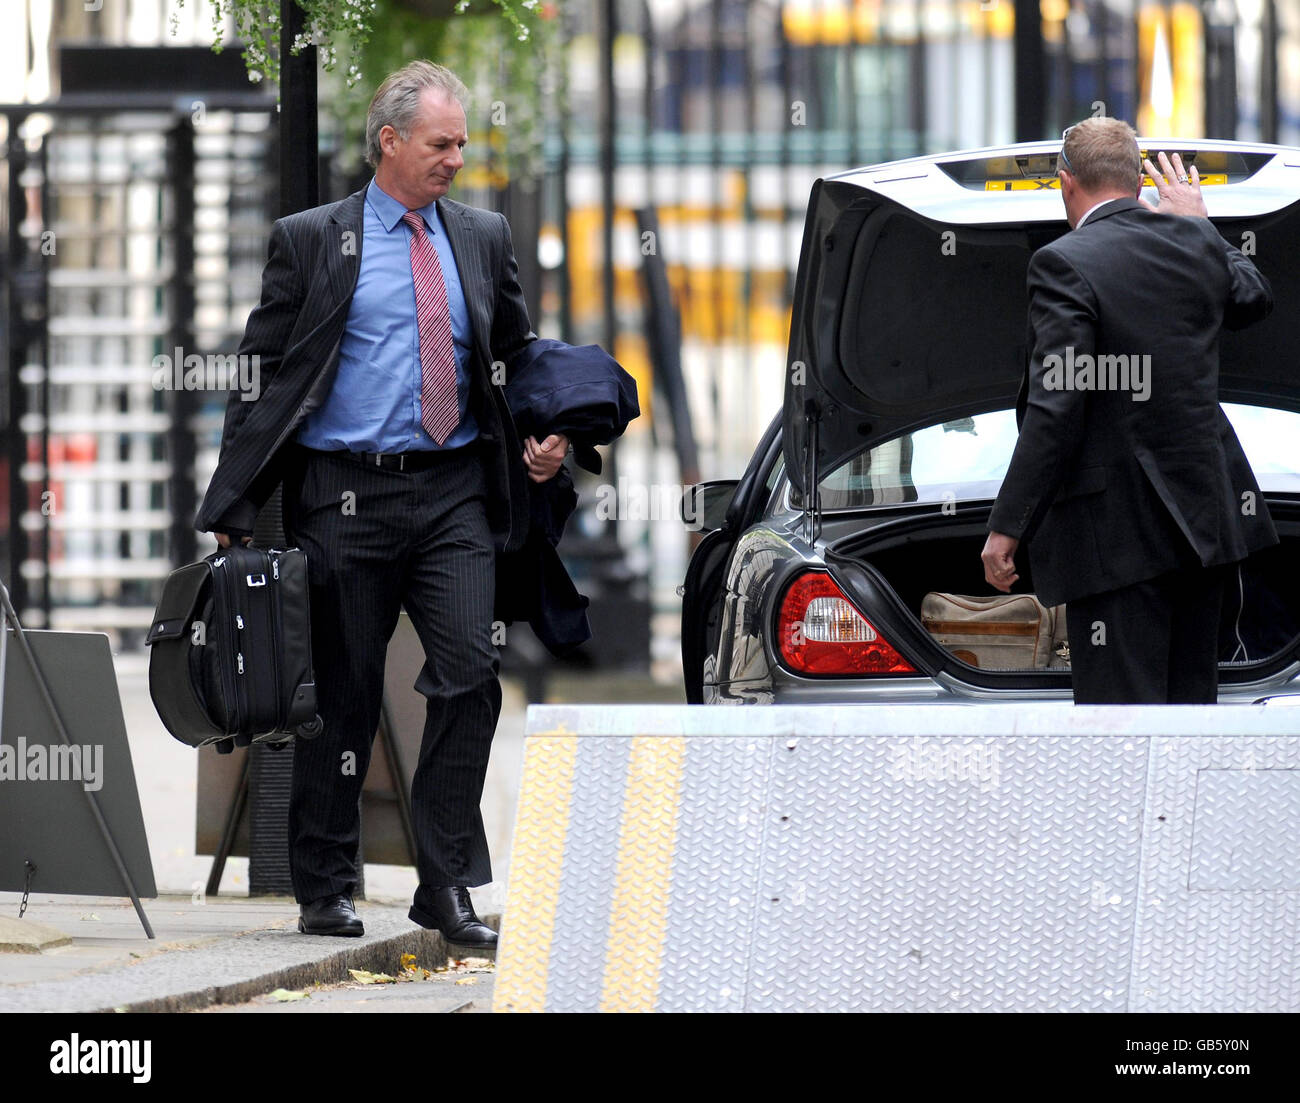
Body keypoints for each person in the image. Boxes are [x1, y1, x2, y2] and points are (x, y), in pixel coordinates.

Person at [196, 61, 567, 942]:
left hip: (453, 492)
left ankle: (444, 884)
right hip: (343, 492)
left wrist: (543, 436)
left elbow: (517, 359)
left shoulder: (481, 236)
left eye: (462, 144)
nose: (456, 160)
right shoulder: (314, 239)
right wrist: (235, 499)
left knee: (471, 677)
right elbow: (261, 377)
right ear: (390, 141)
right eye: (441, 144)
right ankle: (325, 882)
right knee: (346, 693)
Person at [981, 117, 1278, 704]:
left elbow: (1056, 406)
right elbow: (1254, 296)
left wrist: (1009, 525)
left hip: (1115, 542)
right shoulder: (1193, 243)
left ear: (1067, 184)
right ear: (1137, 182)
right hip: (1204, 532)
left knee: (1120, 730)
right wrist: (1201, 223)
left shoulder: (1063, 262)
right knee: (1189, 716)